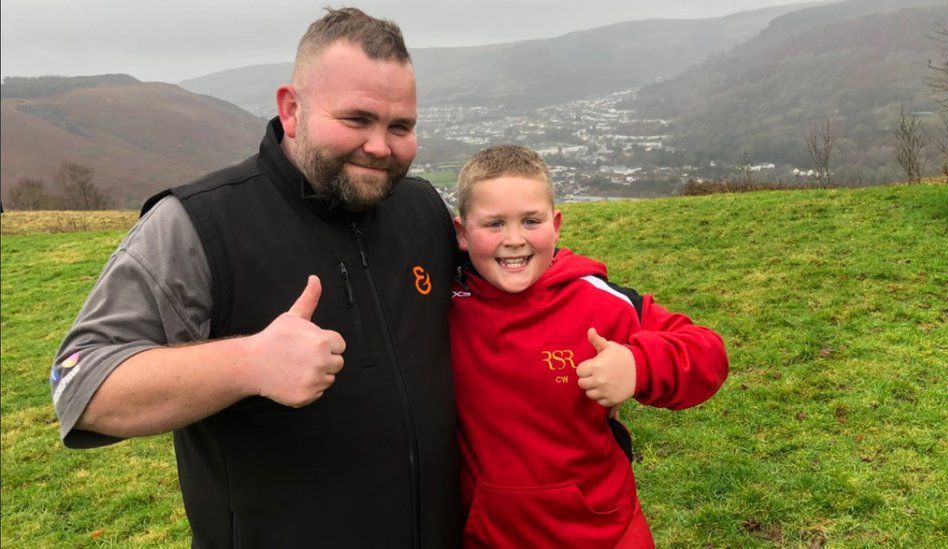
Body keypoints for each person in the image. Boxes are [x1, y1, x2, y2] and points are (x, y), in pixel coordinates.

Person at [50, 8, 462, 547]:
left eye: (400, 126)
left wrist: (612, 335)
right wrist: (249, 363)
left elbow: (525, 285)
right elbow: (78, 384)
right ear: (292, 110)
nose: (381, 147)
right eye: (357, 120)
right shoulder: (198, 224)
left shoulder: (422, 208)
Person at [449, 145, 729, 547]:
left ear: (556, 224)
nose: (514, 239)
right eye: (493, 224)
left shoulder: (598, 302)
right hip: (489, 536)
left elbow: (708, 353)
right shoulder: (443, 306)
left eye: (531, 221)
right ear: (461, 233)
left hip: (602, 532)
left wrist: (639, 366)